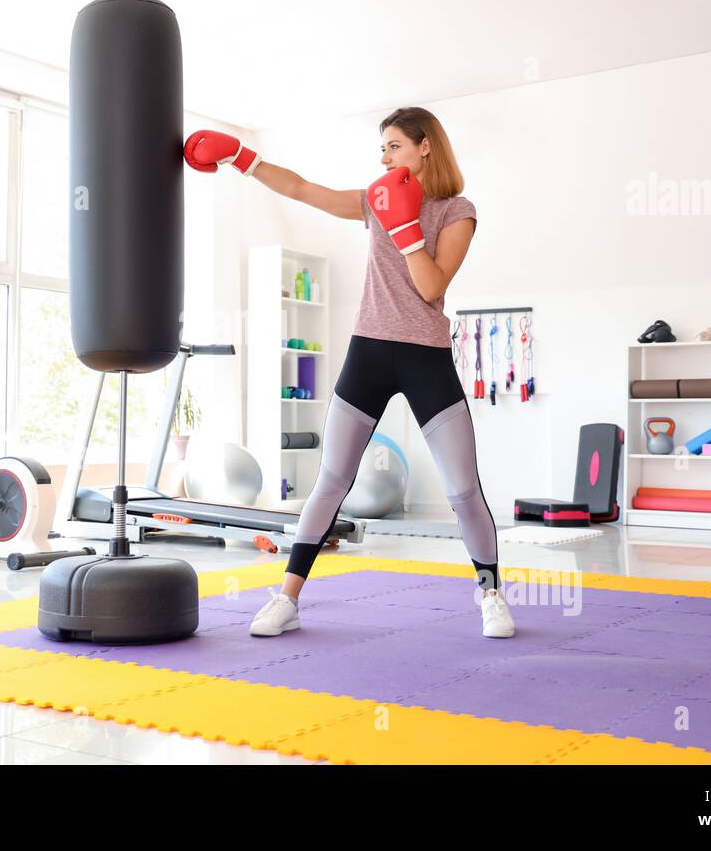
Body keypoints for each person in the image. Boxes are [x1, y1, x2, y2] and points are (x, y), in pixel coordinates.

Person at [182, 107, 514, 640]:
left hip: (425, 354)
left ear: (425, 146)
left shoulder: (457, 211)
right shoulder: (373, 199)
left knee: (461, 489)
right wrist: (242, 158)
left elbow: (430, 288)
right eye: (381, 149)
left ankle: (490, 594)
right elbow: (303, 189)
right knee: (331, 480)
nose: (384, 158)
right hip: (369, 350)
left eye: (394, 146)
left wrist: (406, 228)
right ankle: (287, 599)